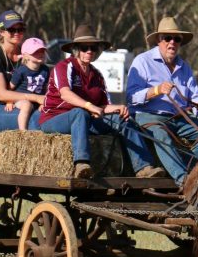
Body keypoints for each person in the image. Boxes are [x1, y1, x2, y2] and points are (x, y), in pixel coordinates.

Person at [39, 25, 166, 180]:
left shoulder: (97, 75)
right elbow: (65, 94)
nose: (89, 51)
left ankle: (144, 167)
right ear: (76, 50)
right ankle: (81, 164)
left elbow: (103, 106)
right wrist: (89, 106)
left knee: (122, 120)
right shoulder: (64, 66)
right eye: (84, 48)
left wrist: (119, 108)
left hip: (86, 119)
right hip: (55, 118)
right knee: (80, 113)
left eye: (93, 48)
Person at [126, 16, 198, 186]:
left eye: (177, 39)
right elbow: (131, 97)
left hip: (179, 118)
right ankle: (184, 181)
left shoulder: (184, 67)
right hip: (149, 116)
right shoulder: (142, 61)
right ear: (159, 40)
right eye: (167, 38)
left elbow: (194, 95)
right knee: (161, 134)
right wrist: (156, 90)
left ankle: (186, 165)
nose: (172, 42)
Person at [0, 9, 45, 131]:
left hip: (22, 105)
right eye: (12, 29)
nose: (17, 33)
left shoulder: (28, 54)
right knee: (35, 119)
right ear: (2, 32)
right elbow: (2, 95)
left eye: (20, 29)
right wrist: (36, 98)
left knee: (46, 115)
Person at [8, 37, 50, 131]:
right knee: (27, 105)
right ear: (26, 55)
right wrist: (9, 101)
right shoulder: (21, 71)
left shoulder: (45, 70)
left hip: (38, 100)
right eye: (36, 51)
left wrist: (44, 103)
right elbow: (10, 87)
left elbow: (46, 88)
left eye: (42, 51)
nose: (40, 53)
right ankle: (23, 132)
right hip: (21, 99)